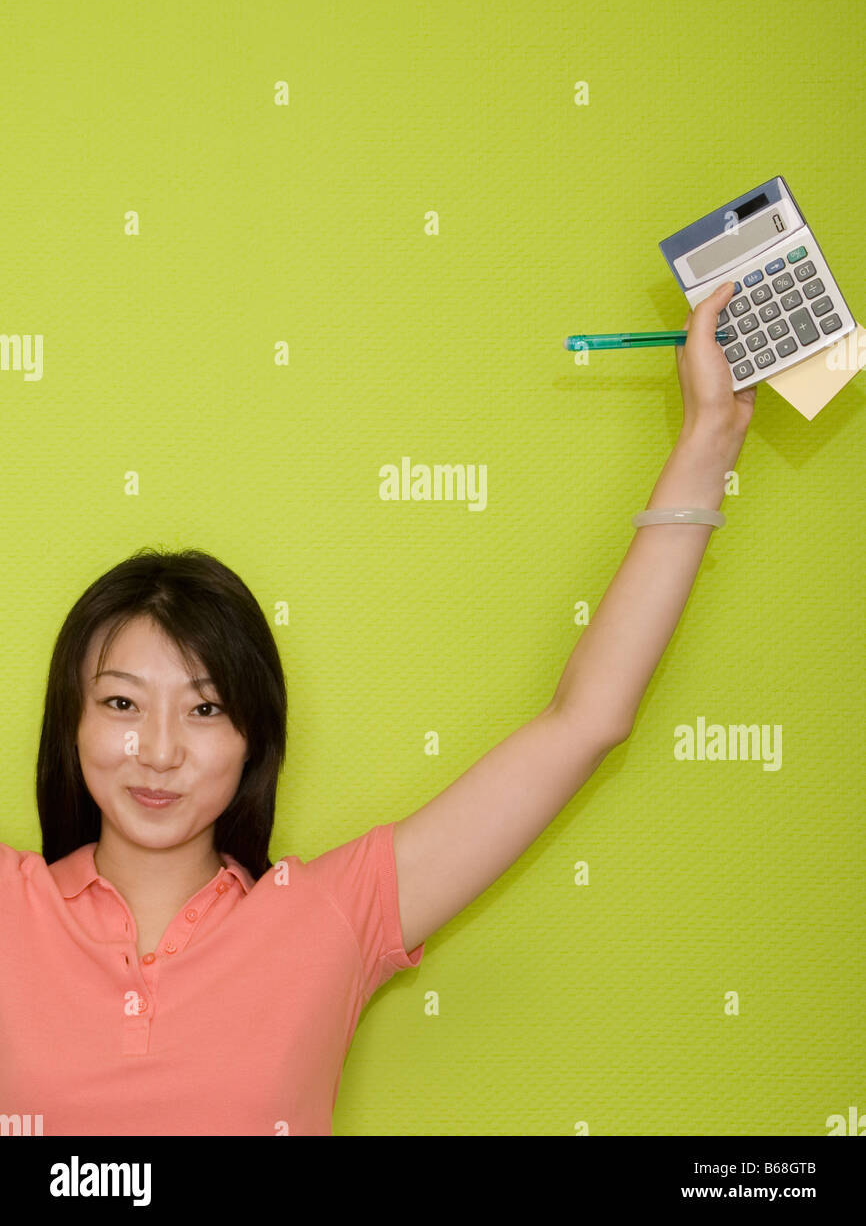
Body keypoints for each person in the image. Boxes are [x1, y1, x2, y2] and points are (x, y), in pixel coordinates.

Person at [0, 281, 751, 1136]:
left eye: (205, 710)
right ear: (73, 722)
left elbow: (584, 723)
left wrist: (707, 438)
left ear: (255, 738)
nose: (159, 749)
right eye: (123, 702)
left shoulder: (327, 917)